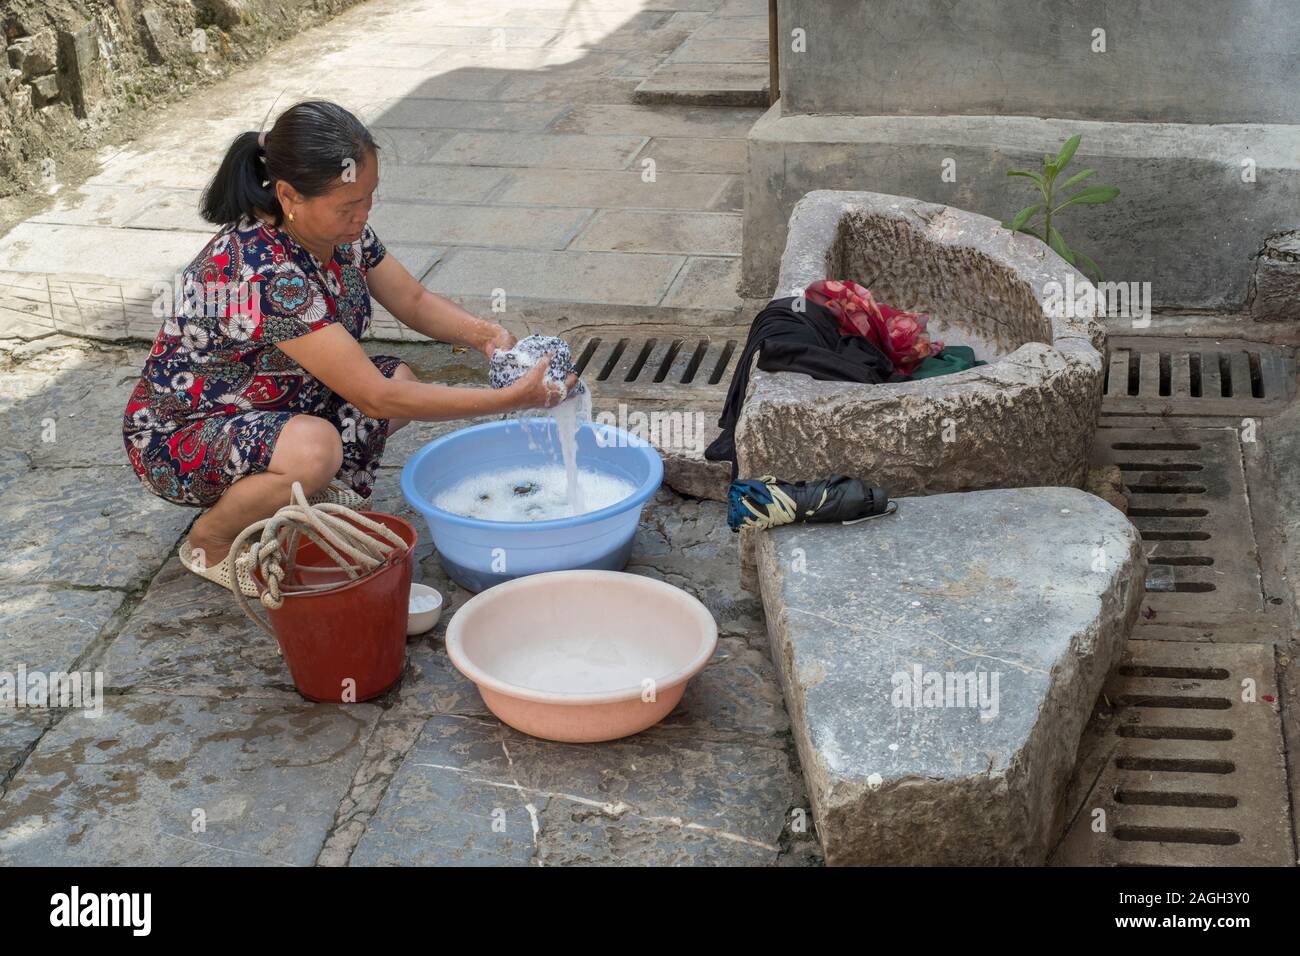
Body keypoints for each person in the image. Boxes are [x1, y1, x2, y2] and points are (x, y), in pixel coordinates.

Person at [121, 100, 574, 594]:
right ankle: (210, 538)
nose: (363, 214)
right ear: (290, 195)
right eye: (349, 204)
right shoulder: (264, 273)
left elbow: (414, 299)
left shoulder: (338, 230)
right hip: (186, 434)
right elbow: (372, 400)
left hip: (278, 402)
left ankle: (297, 491)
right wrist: (507, 401)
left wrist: (486, 336)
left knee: (398, 377)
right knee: (320, 448)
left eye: (368, 197)